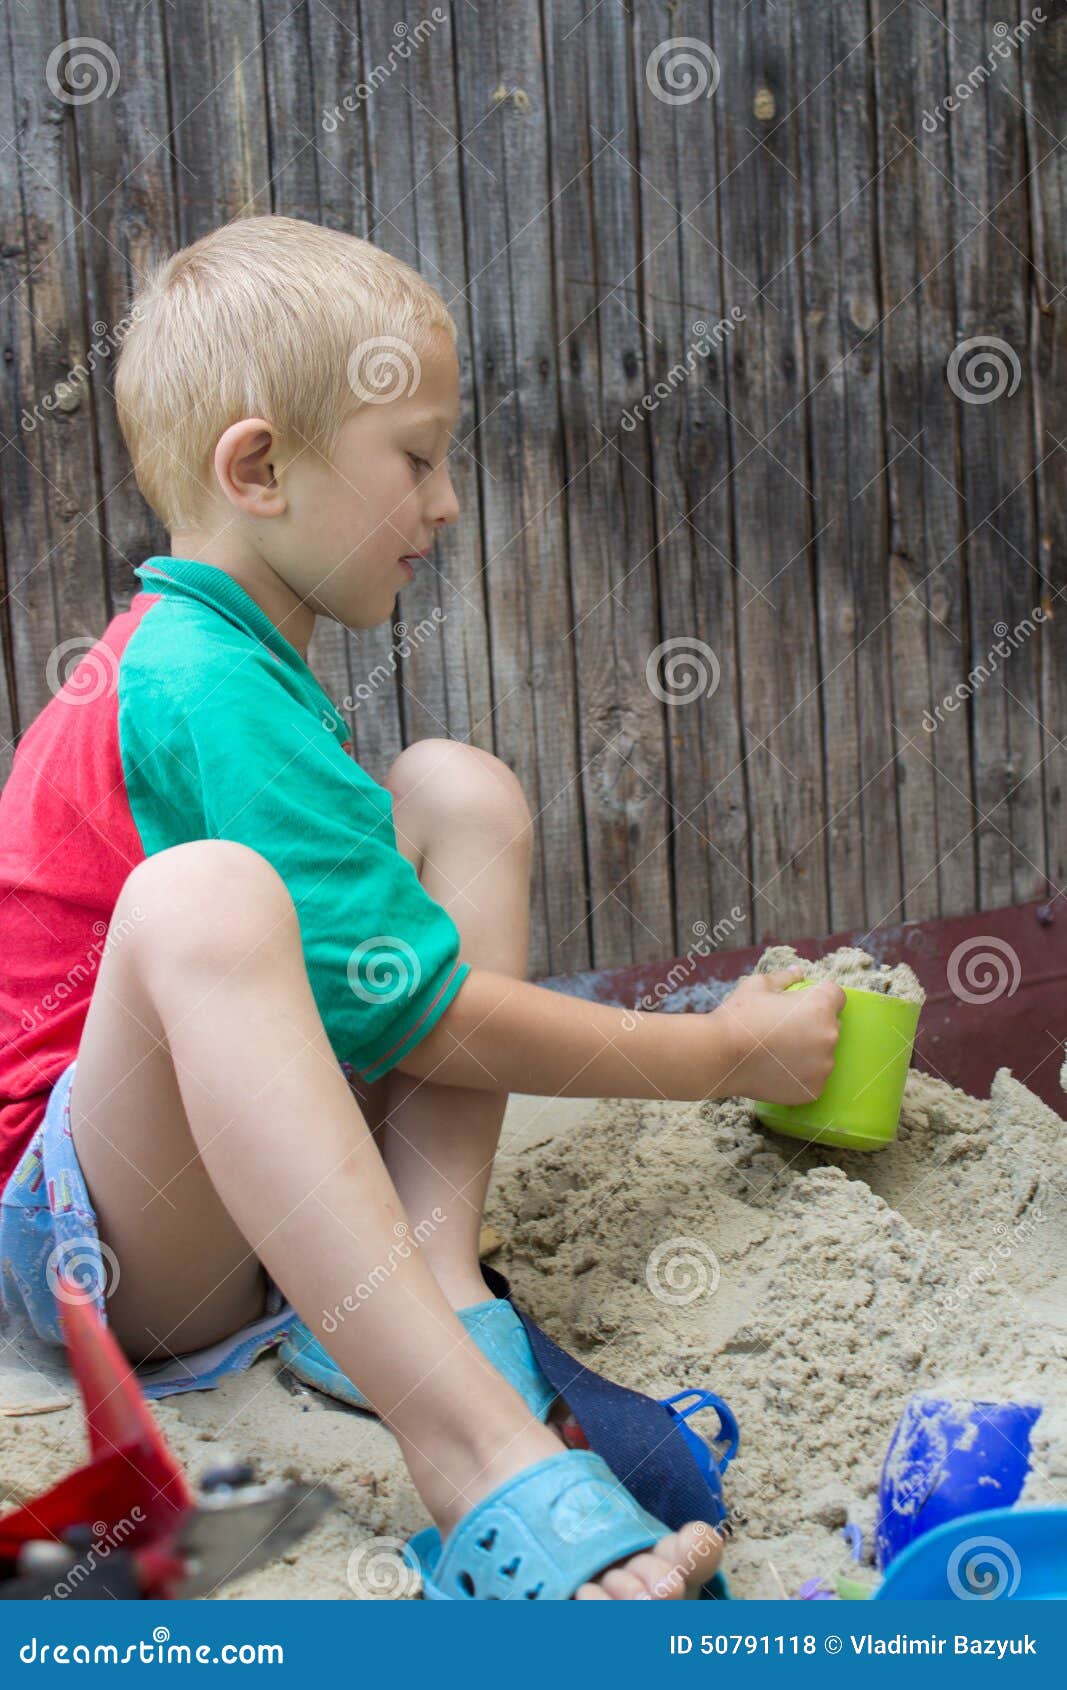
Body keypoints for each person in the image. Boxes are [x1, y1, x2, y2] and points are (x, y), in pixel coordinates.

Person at [0, 216, 845, 1600]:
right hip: (92, 1240)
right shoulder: (200, 680)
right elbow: (421, 1015)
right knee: (206, 900)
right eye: (416, 458)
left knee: (455, 788)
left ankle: (424, 1271)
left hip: (204, 1197)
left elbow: (374, 979)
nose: (446, 503)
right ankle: (475, 1459)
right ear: (259, 469)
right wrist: (722, 1057)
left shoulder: (242, 661)